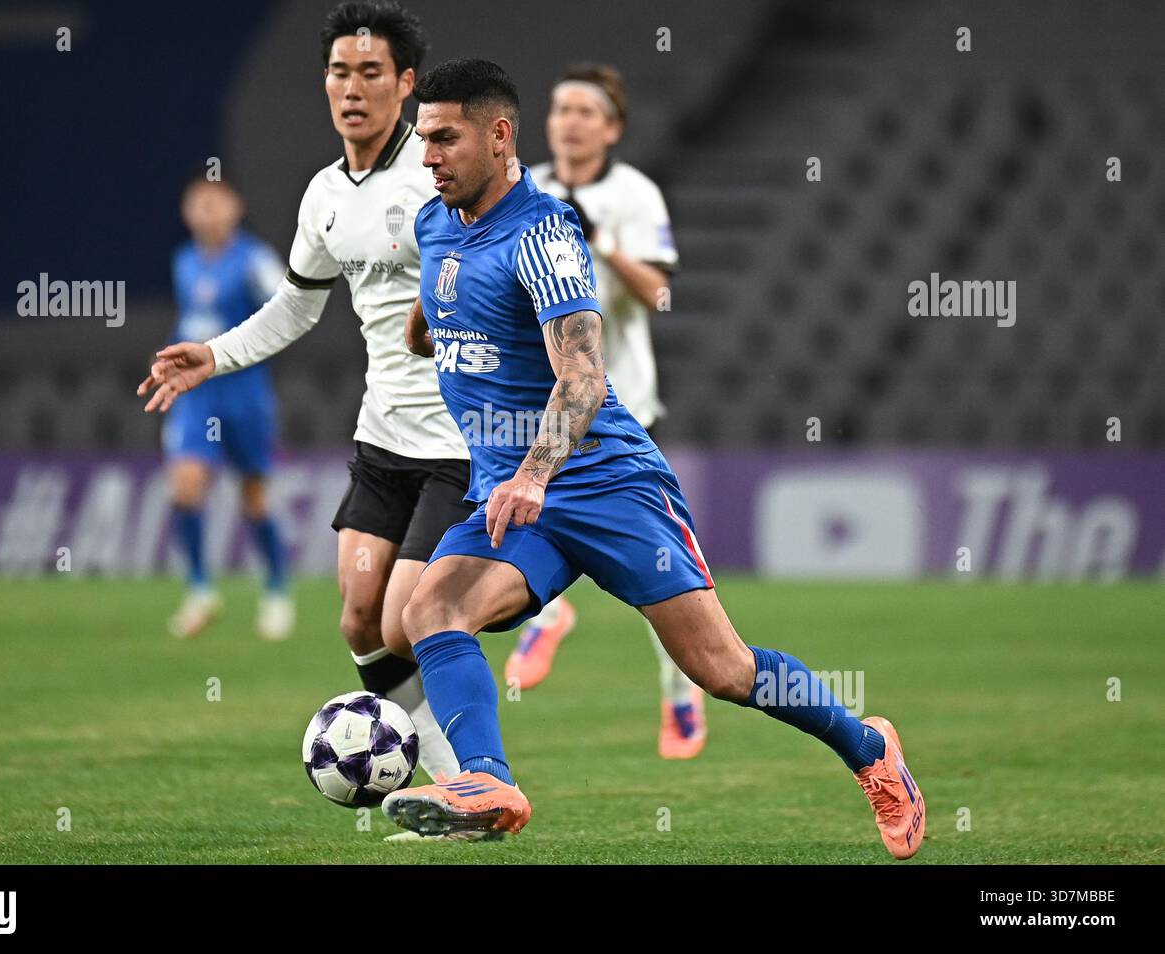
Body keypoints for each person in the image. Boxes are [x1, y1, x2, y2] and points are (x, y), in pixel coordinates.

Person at [382, 58, 927, 860]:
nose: (428, 155)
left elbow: (584, 376)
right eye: (423, 139)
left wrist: (535, 472)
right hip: (513, 495)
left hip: (604, 481)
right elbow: (442, 311)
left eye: (444, 138)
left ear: (499, 137)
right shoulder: (435, 223)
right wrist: (434, 329)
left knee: (723, 669)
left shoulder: (542, 233)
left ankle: (870, 750)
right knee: (426, 613)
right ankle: (487, 780)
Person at [139, 1, 469, 791]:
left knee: (403, 618)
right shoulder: (323, 194)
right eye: (339, 72)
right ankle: (450, 779)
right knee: (359, 616)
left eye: (371, 73)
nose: (351, 89)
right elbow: (296, 304)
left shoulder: (438, 175)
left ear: (406, 83)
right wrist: (212, 357)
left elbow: (494, 269)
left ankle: (469, 778)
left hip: (458, 441)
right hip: (383, 438)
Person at [506, 62, 706, 759]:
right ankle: (550, 614)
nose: (569, 120)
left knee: (658, 568)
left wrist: (606, 245)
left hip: (624, 410)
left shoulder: (633, 194)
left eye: (586, 111)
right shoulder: (524, 189)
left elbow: (662, 296)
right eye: (560, 108)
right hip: (548, 406)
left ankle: (680, 696)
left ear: (612, 127)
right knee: (524, 514)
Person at [161, 176, 294, 641]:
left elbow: (286, 309)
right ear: (186, 211)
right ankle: (200, 588)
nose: (207, 212)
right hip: (200, 398)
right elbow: (189, 322)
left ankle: (277, 589)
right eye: (198, 203)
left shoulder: (254, 260)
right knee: (185, 486)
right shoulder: (184, 263)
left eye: (215, 203)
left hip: (246, 397)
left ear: (234, 208)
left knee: (254, 497)